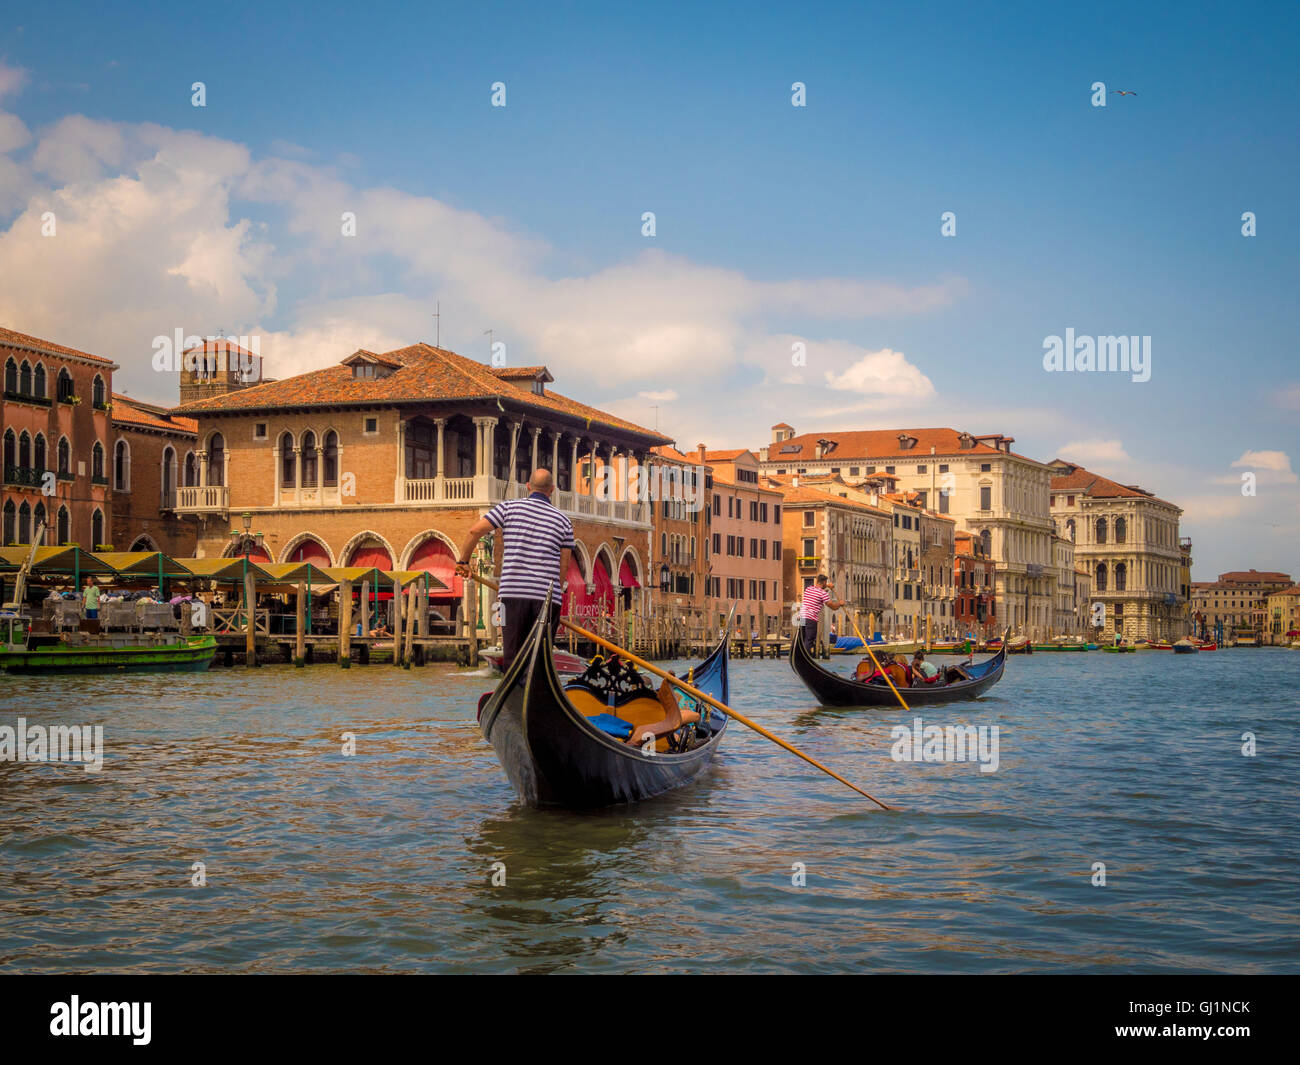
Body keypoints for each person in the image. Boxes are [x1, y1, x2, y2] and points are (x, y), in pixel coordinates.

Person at [455, 468, 582, 669]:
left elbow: (474, 531)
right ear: (552, 490)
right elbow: (563, 565)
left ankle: (514, 691)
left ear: (528, 487)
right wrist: (554, 594)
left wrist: (463, 562)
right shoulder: (564, 521)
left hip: (511, 596)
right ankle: (535, 694)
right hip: (547, 599)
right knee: (540, 660)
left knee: (512, 656)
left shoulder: (507, 508)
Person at [800, 575, 845, 651]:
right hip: (811, 619)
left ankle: (801, 655)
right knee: (809, 640)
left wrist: (827, 585)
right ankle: (805, 656)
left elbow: (820, 586)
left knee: (803, 639)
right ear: (824, 582)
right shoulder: (823, 594)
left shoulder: (808, 589)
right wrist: (840, 604)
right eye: (826, 582)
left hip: (802, 618)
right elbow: (833, 607)